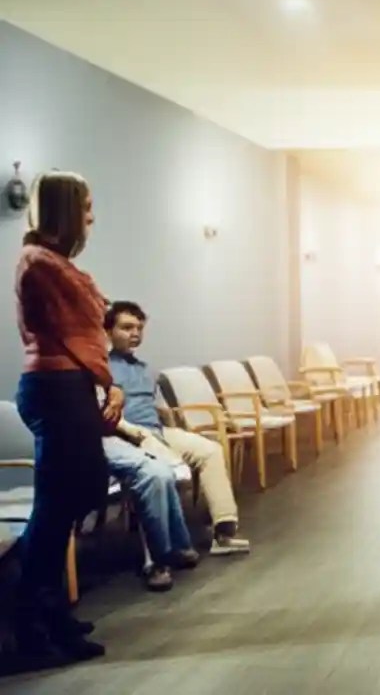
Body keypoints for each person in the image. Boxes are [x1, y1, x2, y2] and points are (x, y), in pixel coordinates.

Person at [12, 171, 110, 662]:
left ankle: (49, 614)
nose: (92, 217)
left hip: (67, 387)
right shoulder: (40, 263)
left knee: (77, 496)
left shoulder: (53, 262)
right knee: (53, 513)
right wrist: (108, 384)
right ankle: (32, 624)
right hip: (55, 389)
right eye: (87, 206)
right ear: (67, 209)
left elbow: (92, 334)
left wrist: (101, 384)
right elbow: (82, 336)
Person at [104, 301, 251, 556]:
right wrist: (136, 434)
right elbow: (103, 414)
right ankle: (168, 548)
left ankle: (224, 531)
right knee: (172, 469)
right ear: (108, 331)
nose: (135, 333)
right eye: (127, 327)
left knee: (210, 451)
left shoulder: (144, 369)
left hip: (157, 431)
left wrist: (173, 428)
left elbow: (156, 407)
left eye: (139, 328)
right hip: (127, 437)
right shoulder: (101, 369)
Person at [100, 435, 199, 592]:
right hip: (75, 438)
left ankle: (178, 546)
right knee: (153, 474)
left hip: (101, 436)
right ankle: (160, 558)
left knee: (163, 470)